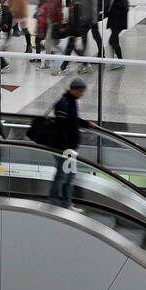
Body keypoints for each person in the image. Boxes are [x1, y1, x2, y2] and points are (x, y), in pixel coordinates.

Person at [49, 77, 93, 210]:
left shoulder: (72, 101)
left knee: (70, 175)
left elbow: (74, 120)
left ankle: (66, 202)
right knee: (63, 175)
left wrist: (87, 123)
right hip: (64, 148)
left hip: (71, 148)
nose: (83, 94)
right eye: (81, 91)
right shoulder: (63, 103)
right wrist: (66, 147)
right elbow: (61, 127)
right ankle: (55, 201)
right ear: (75, 90)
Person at [104, 0, 129, 67]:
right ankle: (118, 60)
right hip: (115, 23)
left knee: (112, 41)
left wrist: (111, 10)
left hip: (118, 24)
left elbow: (123, 8)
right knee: (114, 42)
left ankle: (120, 61)